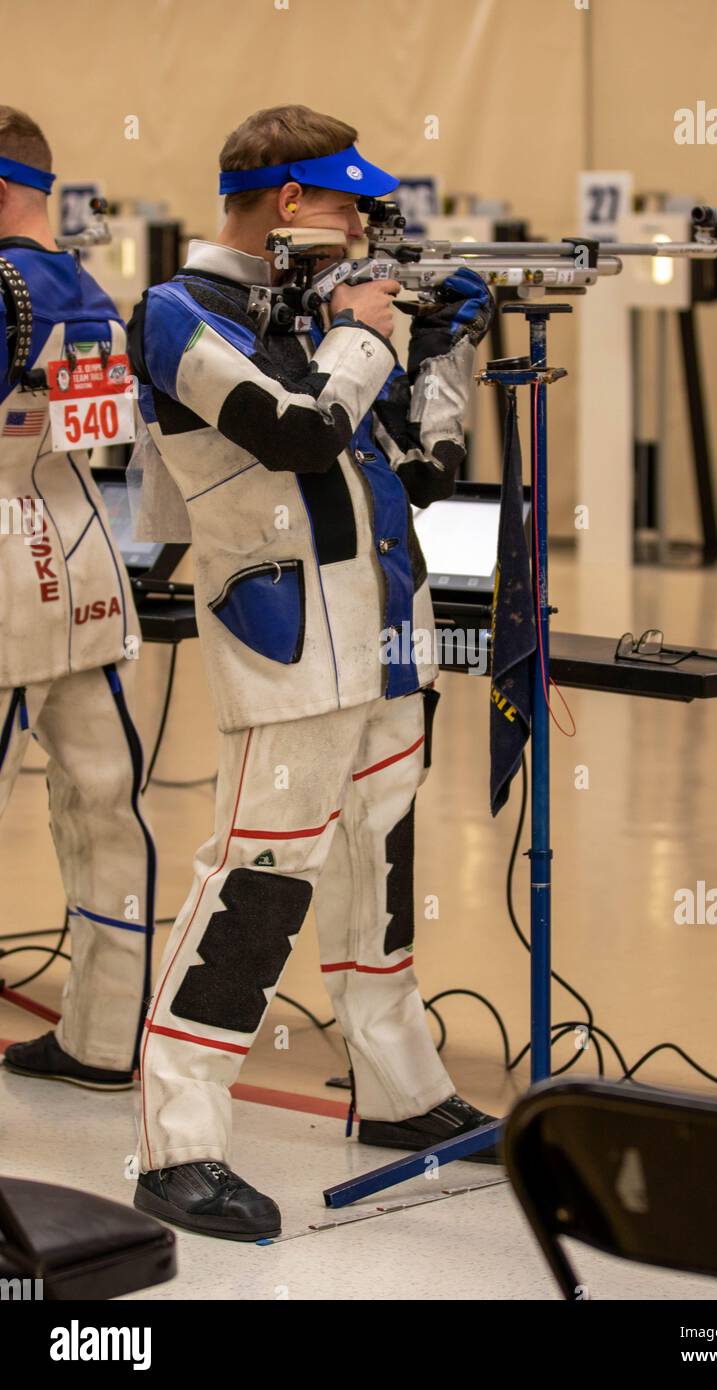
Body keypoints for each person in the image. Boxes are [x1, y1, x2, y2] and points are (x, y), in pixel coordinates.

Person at [127, 103, 497, 1241]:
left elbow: (422, 469)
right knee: (254, 887)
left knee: (373, 868)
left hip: (385, 634)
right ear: (289, 202)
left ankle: (396, 1083)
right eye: (347, 202)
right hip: (290, 650)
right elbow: (292, 429)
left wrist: (444, 352)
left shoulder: (317, 309)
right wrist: (370, 332)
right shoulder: (177, 314)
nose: (362, 224)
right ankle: (178, 1143)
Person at [0, 106, 155, 1089]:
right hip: (84, 562)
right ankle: (103, 1038)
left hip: (2, 572)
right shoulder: (94, 292)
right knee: (107, 805)